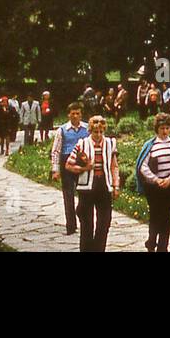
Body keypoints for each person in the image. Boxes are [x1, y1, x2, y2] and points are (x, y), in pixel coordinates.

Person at [64, 115, 120, 252]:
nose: (98, 135)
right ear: (90, 131)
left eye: (101, 131)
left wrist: (115, 185)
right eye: (95, 132)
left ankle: (99, 249)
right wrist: (84, 168)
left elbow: (114, 166)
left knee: (104, 222)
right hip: (87, 188)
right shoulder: (82, 144)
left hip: (104, 186)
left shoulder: (110, 143)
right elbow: (68, 165)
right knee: (87, 223)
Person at [135, 112, 170, 252]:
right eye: (162, 128)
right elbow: (142, 166)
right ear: (157, 128)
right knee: (156, 215)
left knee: (167, 217)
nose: (164, 131)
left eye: (167, 128)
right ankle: (151, 241)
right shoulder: (150, 145)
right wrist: (156, 179)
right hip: (154, 187)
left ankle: (163, 247)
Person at [51, 103, 90, 236]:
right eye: (72, 113)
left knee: (84, 194)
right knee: (68, 195)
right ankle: (71, 225)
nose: (75, 116)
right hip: (66, 162)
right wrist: (55, 170)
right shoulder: (62, 130)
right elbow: (56, 151)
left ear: (81, 114)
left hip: (82, 163)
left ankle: (85, 222)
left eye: (78, 113)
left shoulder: (87, 129)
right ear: (68, 114)